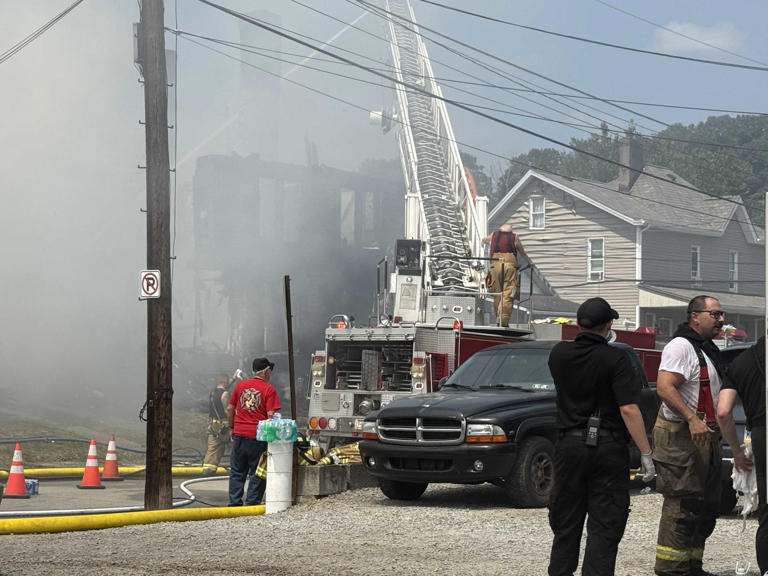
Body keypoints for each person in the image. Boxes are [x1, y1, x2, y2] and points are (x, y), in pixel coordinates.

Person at [547, 297, 655, 576]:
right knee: (605, 524)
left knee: (566, 522)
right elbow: (629, 408)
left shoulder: (558, 354)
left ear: (578, 324)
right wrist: (645, 452)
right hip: (606, 446)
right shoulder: (616, 358)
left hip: (568, 445)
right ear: (608, 326)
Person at [653, 295, 726, 576]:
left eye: (721, 314)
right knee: (682, 504)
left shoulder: (704, 349)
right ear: (695, 316)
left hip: (704, 436)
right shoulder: (681, 346)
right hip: (681, 437)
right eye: (715, 314)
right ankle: (671, 569)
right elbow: (665, 387)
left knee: (705, 505)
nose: (721, 320)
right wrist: (692, 419)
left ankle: (692, 565)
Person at [717, 336, 766, 574]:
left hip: (760, 433)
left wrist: (736, 451)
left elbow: (724, 412)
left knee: (766, 506)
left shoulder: (740, 362)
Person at [226, 357, 281, 506]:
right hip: (258, 437)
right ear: (267, 372)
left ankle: (234, 505)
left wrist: (232, 427)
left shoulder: (240, 386)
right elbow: (271, 416)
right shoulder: (269, 389)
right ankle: (251, 505)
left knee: (237, 471)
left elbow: (230, 408)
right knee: (257, 472)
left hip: (239, 435)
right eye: (270, 371)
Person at [482, 223, 531, 327]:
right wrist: (530, 263)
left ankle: (497, 318)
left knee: (497, 294)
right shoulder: (515, 237)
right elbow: (523, 253)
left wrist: (483, 241)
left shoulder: (494, 235)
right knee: (508, 292)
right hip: (509, 266)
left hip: (495, 265)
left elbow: (485, 240)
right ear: (511, 231)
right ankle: (503, 320)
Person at [202, 374, 232, 476]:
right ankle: (242, 469)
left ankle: (208, 471)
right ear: (225, 382)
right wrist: (232, 426)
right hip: (225, 428)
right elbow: (227, 411)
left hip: (213, 427)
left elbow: (224, 388)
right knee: (236, 447)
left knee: (213, 450)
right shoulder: (225, 394)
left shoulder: (212, 393)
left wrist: (235, 378)